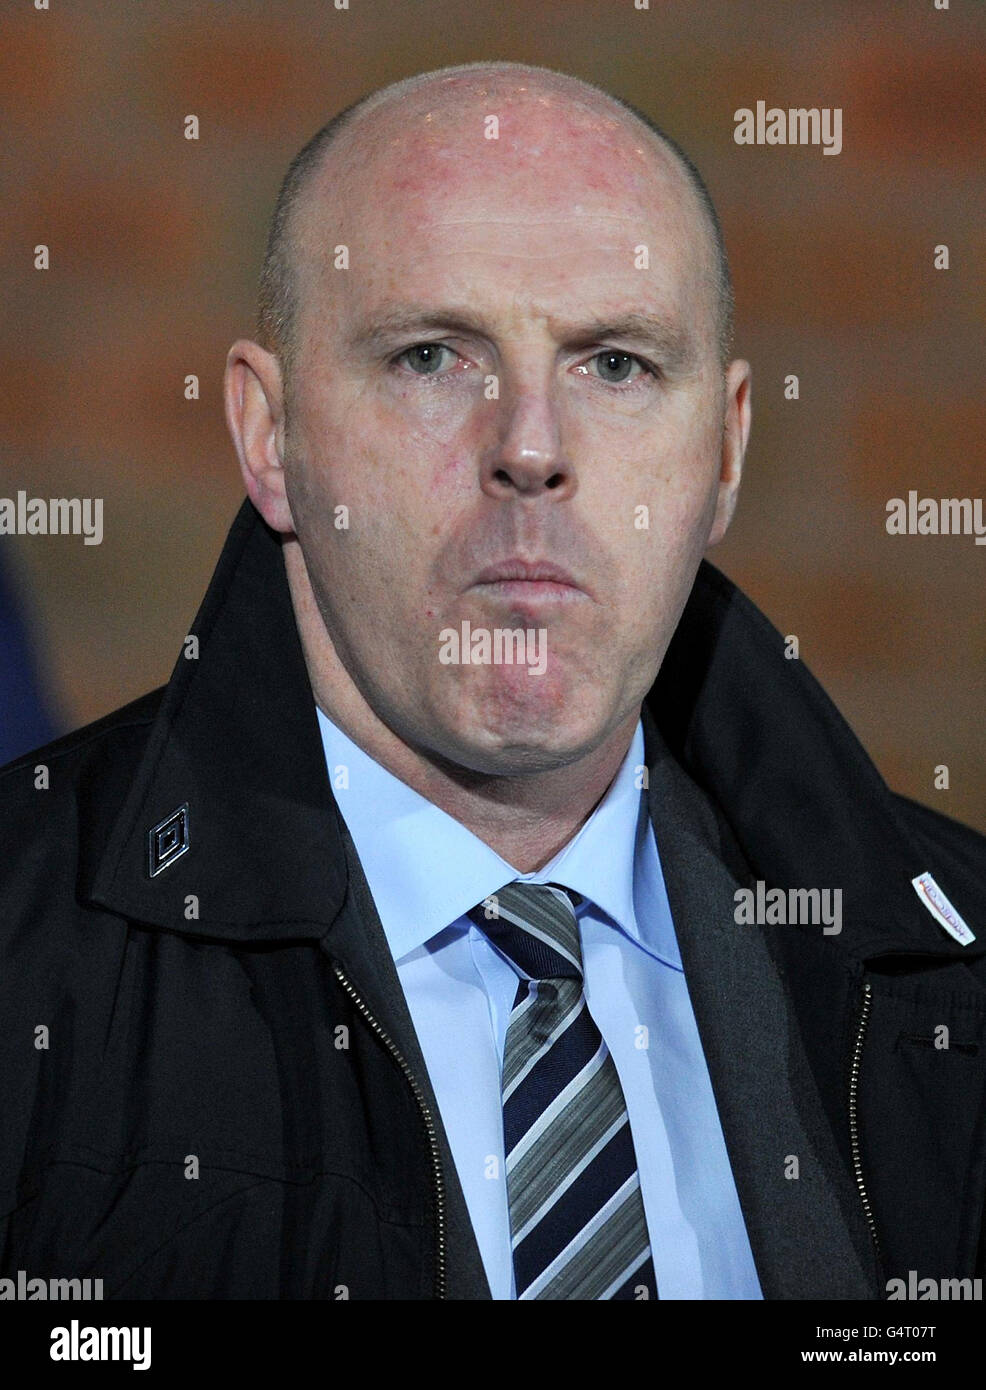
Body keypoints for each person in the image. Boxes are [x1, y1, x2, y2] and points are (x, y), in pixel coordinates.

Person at [2, 60, 984, 1303]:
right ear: (269, 434)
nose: (528, 446)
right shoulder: (27, 963)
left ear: (724, 451)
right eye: (430, 357)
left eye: (615, 365)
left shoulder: (949, 971)